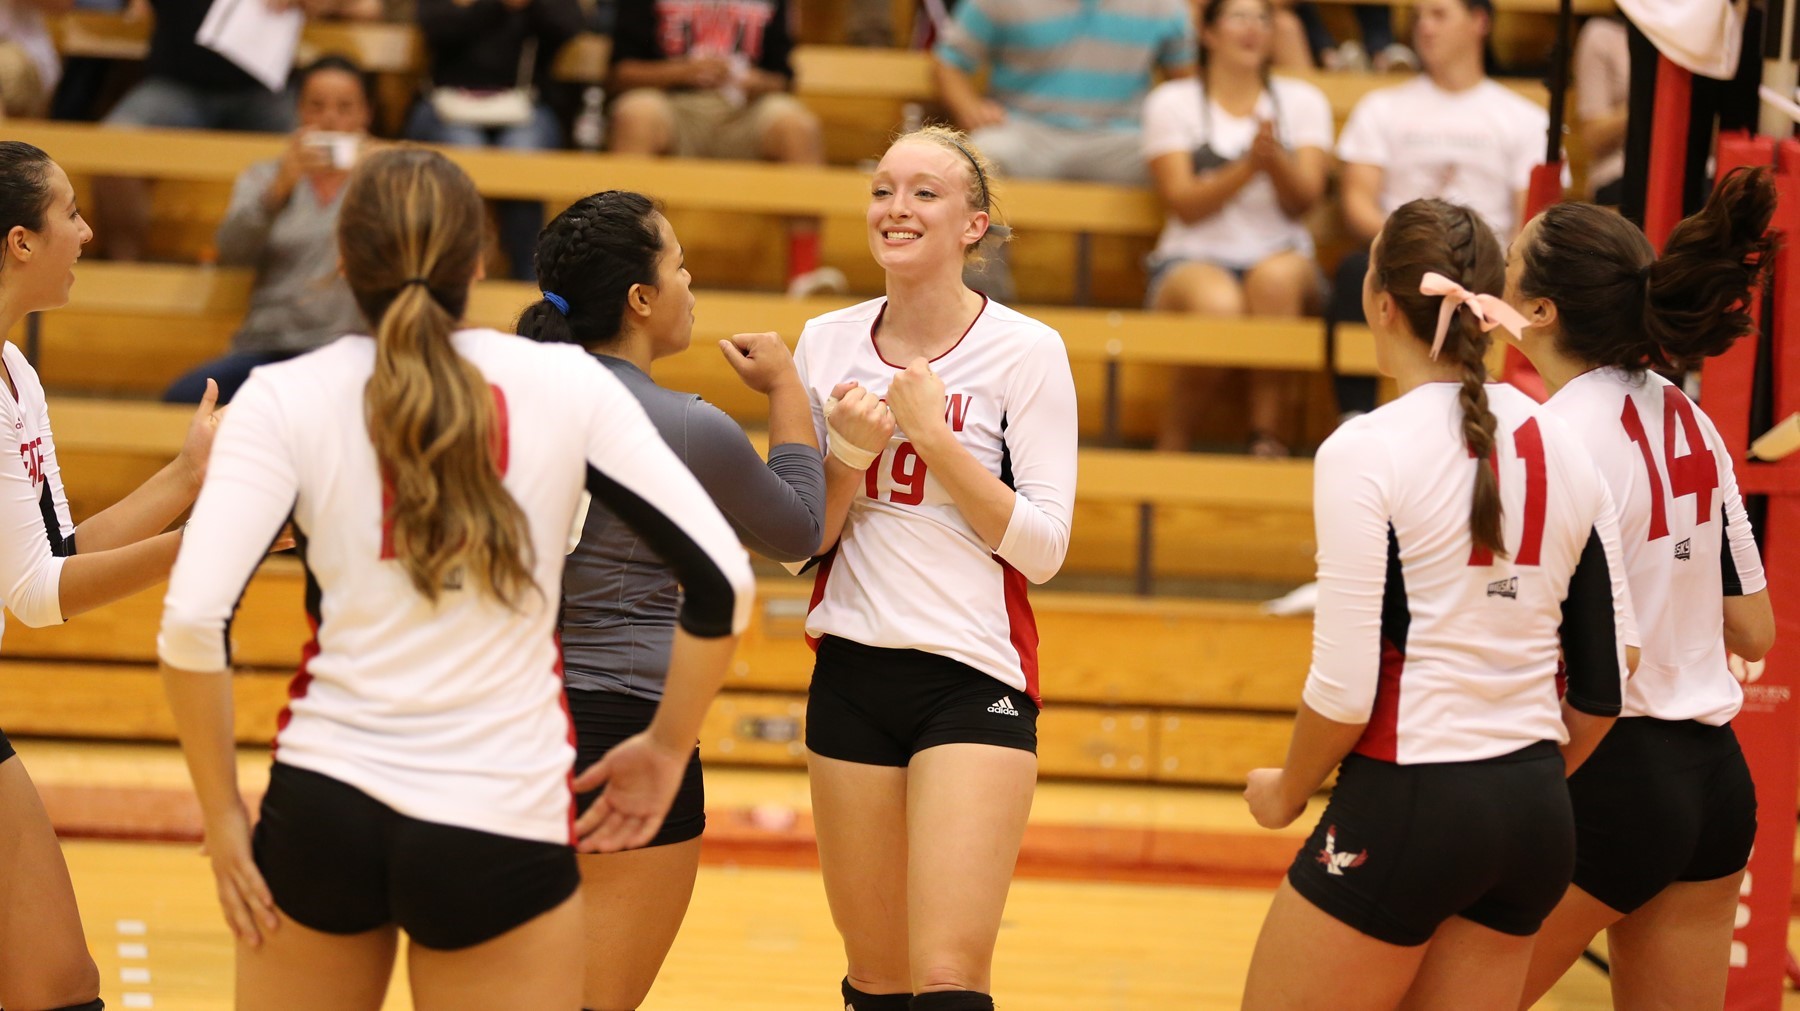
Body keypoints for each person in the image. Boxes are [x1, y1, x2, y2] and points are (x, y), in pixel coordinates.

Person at [155, 147, 756, 1008]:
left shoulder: (281, 396)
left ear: (340, 258)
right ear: (478, 258)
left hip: (326, 797)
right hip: (499, 806)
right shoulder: (563, 381)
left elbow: (189, 624)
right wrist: (666, 749)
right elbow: (724, 585)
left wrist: (221, 817)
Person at [1240, 197, 1633, 1010]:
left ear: (1381, 303)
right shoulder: (1568, 441)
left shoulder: (1365, 448)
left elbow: (1345, 688)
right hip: (1534, 814)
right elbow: (1601, 690)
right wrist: (1508, 785)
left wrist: (1285, 790)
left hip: (1410, 796)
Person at [516, 189, 825, 1010]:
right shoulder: (686, 425)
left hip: (504, 722)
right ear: (642, 299)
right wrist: (788, 390)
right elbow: (799, 531)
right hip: (631, 728)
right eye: (679, 265)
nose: (692, 283)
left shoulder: (500, 395)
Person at [794, 125, 1077, 1011]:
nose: (897, 208)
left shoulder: (1027, 351)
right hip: (849, 670)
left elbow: (1044, 547)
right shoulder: (824, 342)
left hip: (973, 676)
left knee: (949, 980)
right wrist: (843, 454)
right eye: (883, 189)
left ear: (973, 226)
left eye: (924, 192)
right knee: (876, 981)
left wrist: (936, 441)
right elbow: (805, 540)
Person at [1507, 170, 1776, 1009]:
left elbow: (1545, 639)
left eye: (1512, 262)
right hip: (1714, 785)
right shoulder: (1690, 417)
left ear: (1542, 309)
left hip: (1607, 774)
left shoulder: (1549, 435)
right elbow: (1755, 629)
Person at [0, 140, 225, 1011]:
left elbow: (56, 556)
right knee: (55, 984)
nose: (87, 232)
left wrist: (185, 478)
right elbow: (35, 595)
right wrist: (208, 544)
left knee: (52, 982)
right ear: (21, 240)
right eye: (70, 213)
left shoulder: (16, 371)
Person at [1330, 0, 1550, 418]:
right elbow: (1356, 203)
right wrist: (1415, 244)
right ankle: (1353, 414)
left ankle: (1506, 409)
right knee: (1354, 271)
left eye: (1439, 15)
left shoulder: (1522, 118)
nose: (1424, 28)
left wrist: (1476, 252)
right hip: (1403, 255)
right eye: (1419, 17)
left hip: (1487, 264)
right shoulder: (1381, 108)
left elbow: (1532, 216)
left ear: (1479, 22)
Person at [1142, 0, 1332, 456]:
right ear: (1207, 33)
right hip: (1191, 255)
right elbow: (1184, 203)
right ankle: (1173, 442)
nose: (1253, 29)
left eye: (1263, 19)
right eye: (1239, 18)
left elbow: (1305, 200)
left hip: (1282, 249)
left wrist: (1274, 163)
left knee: (1274, 280)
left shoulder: (1304, 101)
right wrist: (1249, 168)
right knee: (1218, 305)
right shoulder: (1172, 101)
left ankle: (1268, 439)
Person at [932, 0, 1194, 300]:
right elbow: (948, 61)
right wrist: (969, 108)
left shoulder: (1165, 5)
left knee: (1187, 162)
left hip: (1121, 141)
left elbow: (1188, 83)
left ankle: (1171, 288)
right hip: (1024, 132)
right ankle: (983, 303)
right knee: (977, 161)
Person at [163, 55, 374, 405]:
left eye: (345, 107)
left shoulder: (383, 180)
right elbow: (231, 252)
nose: (330, 119)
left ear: (366, 115)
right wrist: (278, 190)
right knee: (182, 399)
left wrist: (378, 181)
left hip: (350, 348)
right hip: (269, 346)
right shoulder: (265, 176)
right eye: (317, 106)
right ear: (299, 112)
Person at [606, 0, 847, 298]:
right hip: (674, 105)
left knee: (799, 126)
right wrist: (683, 71)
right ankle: (624, 269)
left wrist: (758, 81)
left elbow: (783, 78)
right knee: (635, 114)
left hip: (746, 109)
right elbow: (620, 72)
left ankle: (804, 276)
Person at [409, 0, 582, 281]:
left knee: (521, 155)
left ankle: (528, 279)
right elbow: (437, 28)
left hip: (523, 104)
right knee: (462, 153)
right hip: (446, 104)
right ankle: (450, 276)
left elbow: (568, 26)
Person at [1573, 15, 1629, 205]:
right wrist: (1649, 102)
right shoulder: (1603, 34)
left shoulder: (1698, 29)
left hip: (1699, 170)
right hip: (1619, 171)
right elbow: (1593, 136)